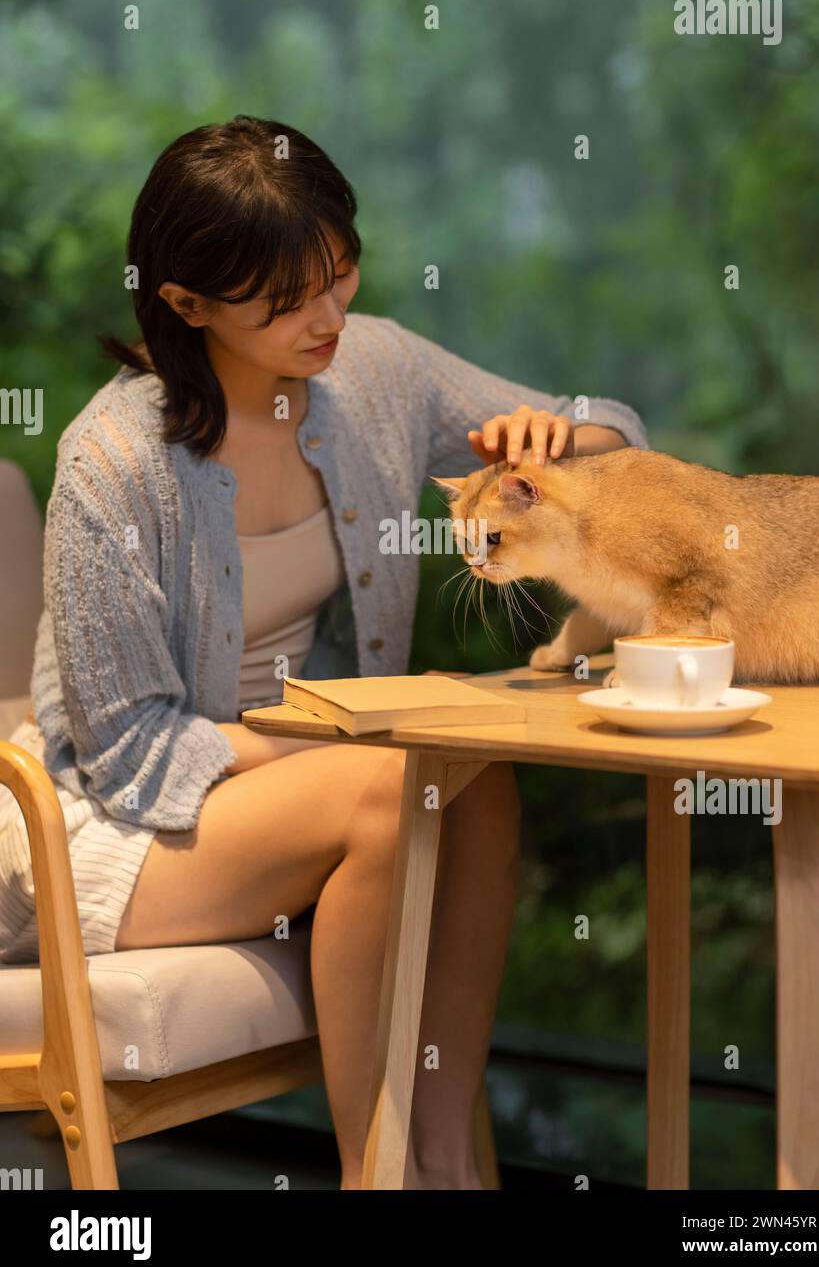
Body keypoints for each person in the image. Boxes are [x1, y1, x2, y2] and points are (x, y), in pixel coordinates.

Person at [0, 115, 647, 1188]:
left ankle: (446, 1167)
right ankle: (375, 1175)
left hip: (294, 776)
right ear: (186, 303)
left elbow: (611, 426)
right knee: (396, 791)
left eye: (339, 276)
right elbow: (126, 751)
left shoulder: (376, 372)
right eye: (286, 299)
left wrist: (565, 446)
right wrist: (341, 740)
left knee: (476, 786)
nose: (327, 316)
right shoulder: (111, 463)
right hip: (100, 828)